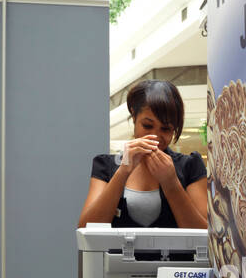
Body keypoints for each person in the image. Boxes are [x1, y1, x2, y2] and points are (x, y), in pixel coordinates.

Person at [78, 78, 207, 229]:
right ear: (134, 116)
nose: (155, 136)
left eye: (165, 129)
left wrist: (171, 183)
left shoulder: (190, 166)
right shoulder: (105, 166)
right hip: (118, 253)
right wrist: (123, 171)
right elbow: (87, 228)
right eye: (147, 125)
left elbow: (204, 234)